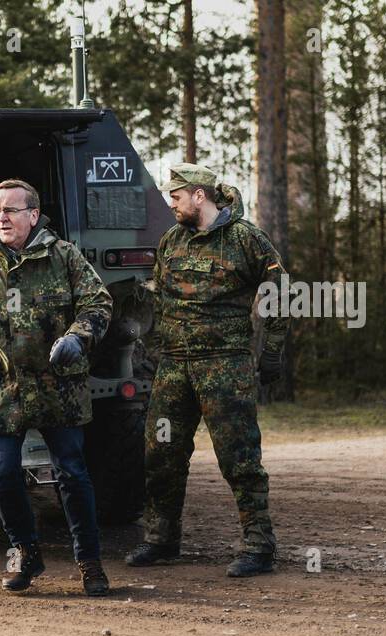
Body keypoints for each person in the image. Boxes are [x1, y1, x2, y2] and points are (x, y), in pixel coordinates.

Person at [0, 179, 113, 595]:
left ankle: (89, 562)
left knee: (71, 474)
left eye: (11, 210)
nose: (1, 217)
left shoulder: (64, 257)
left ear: (33, 216)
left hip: (58, 388)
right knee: (1, 476)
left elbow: (98, 303)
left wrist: (78, 337)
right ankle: (25, 554)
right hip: (1, 391)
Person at [126, 162, 289, 578]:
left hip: (225, 368)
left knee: (239, 458)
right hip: (175, 368)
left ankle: (258, 546)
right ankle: (161, 539)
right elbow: (158, 298)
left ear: (200, 195)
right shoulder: (171, 241)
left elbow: (280, 292)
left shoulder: (245, 239)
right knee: (161, 452)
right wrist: (152, 348)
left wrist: (271, 351)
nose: (171, 203)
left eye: (176, 196)